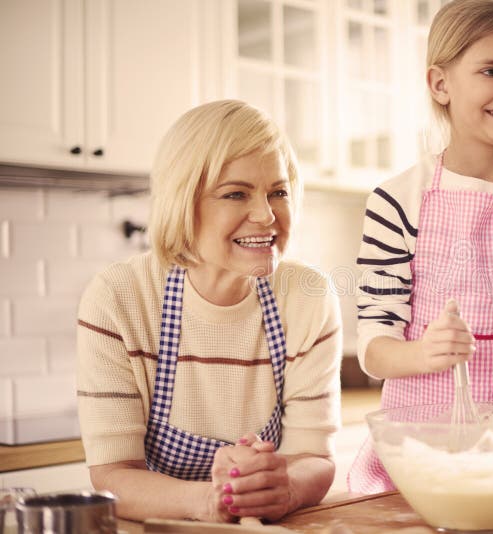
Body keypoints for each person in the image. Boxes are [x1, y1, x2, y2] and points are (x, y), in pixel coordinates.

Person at [348, 0, 493, 493]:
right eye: (490, 71)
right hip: (413, 452)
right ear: (440, 84)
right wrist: (425, 352)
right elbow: (374, 346)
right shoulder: (397, 200)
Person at [76, 100, 342, 523]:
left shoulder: (307, 297)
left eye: (278, 192)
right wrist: (209, 502)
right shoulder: (118, 297)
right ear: (182, 203)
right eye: (235, 193)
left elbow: (314, 457)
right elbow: (113, 475)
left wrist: (285, 488)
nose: (266, 214)